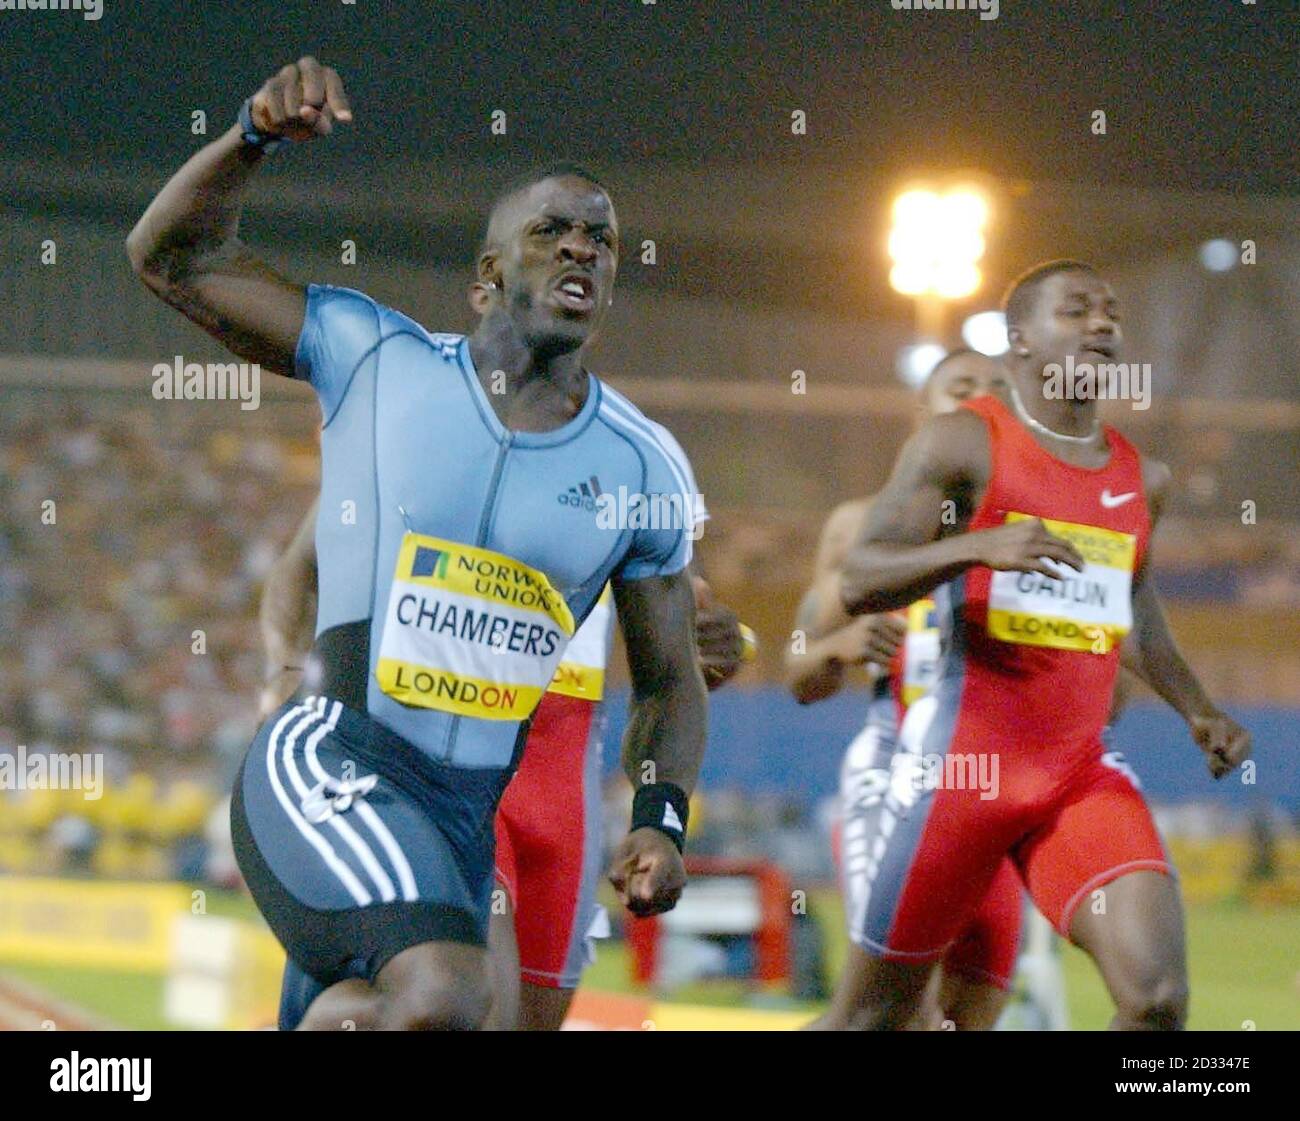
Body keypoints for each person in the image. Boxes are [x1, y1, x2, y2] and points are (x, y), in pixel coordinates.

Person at [127, 56, 709, 1030]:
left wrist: (660, 819)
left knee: (468, 1016)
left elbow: (667, 679)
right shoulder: (376, 360)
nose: (580, 251)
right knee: (447, 988)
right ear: (487, 278)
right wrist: (253, 136)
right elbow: (171, 258)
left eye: (600, 241)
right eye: (550, 232)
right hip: (330, 762)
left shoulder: (643, 470)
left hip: (456, 817)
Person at [830, 259, 1251, 1030]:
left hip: (1077, 773)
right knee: (870, 1022)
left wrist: (1198, 708)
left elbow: (1132, 603)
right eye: (1077, 309)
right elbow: (860, 577)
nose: (1102, 324)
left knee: (1156, 1002)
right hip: (962, 770)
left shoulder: (1139, 476)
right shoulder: (962, 441)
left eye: (1111, 311)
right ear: (1018, 337)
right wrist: (975, 548)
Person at [259, 486, 748, 1030]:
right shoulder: (418, 423)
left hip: (563, 790)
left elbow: (685, 651)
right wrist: (284, 672)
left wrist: (715, 646)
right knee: (465, 1003)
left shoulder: (639, 464)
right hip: (441, 768)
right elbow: (299, 569)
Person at [787, 350, 1023, 1030]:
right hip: (895, 771)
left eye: (998, 390)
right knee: (893, 1012)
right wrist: (838, 646)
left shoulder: (1031, 530)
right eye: (962, 389)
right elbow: (798, 665)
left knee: (973, 1013)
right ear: (924, 416)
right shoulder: (863, 526)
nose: (982, 401)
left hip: (992, 791)